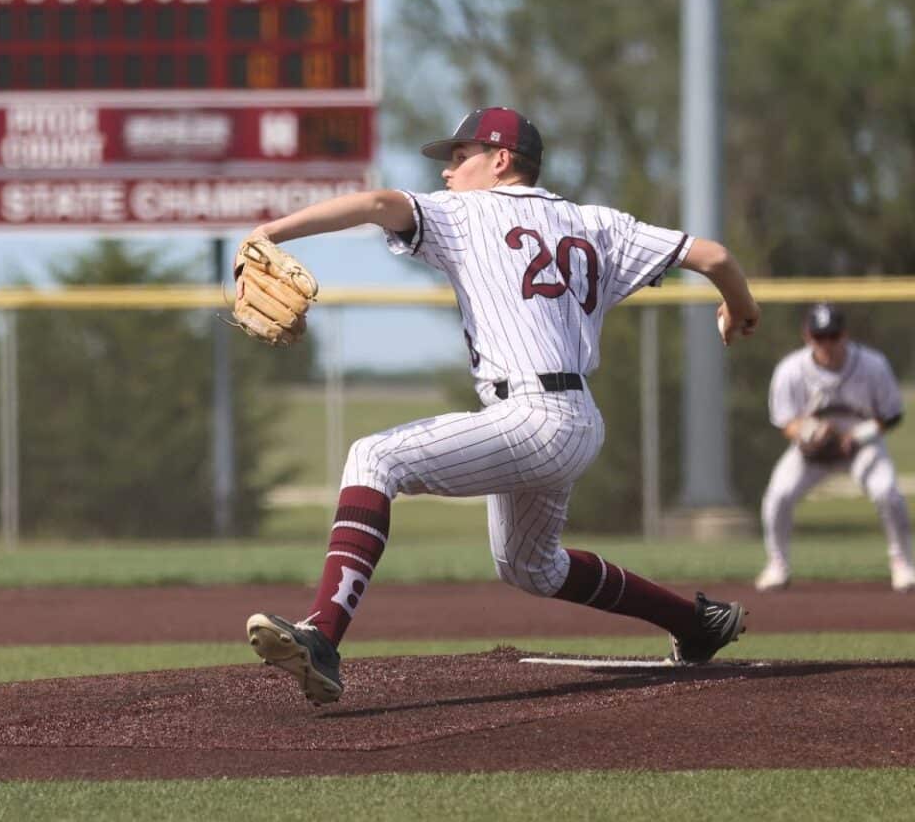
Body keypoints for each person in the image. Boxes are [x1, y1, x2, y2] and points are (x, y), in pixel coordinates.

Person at [242, 107, 762, 706]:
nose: (448, 173)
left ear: (500, 160)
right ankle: (696, 624)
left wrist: (270, 232)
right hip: (576, 421)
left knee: (372, 459)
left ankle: (322, 637)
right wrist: (739, 308)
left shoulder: (468, 212)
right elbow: (715, 257)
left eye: (460, 158)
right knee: (529, 565)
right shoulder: (598, 223)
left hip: (530, 416)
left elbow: (376, 203)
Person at [755, 303, 913, 593]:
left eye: (833, 336)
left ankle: (902, 563)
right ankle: (777, 565)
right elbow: (784, 421)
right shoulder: (791, 370)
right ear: (807, 337)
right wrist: (811, 432)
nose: (827, 343)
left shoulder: (872, 365)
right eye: (820, 337)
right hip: (812, 451)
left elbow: (891, 415)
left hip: (862, 446)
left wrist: (855, 436)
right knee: (778, 496)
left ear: (845, 335)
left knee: (888, 493)